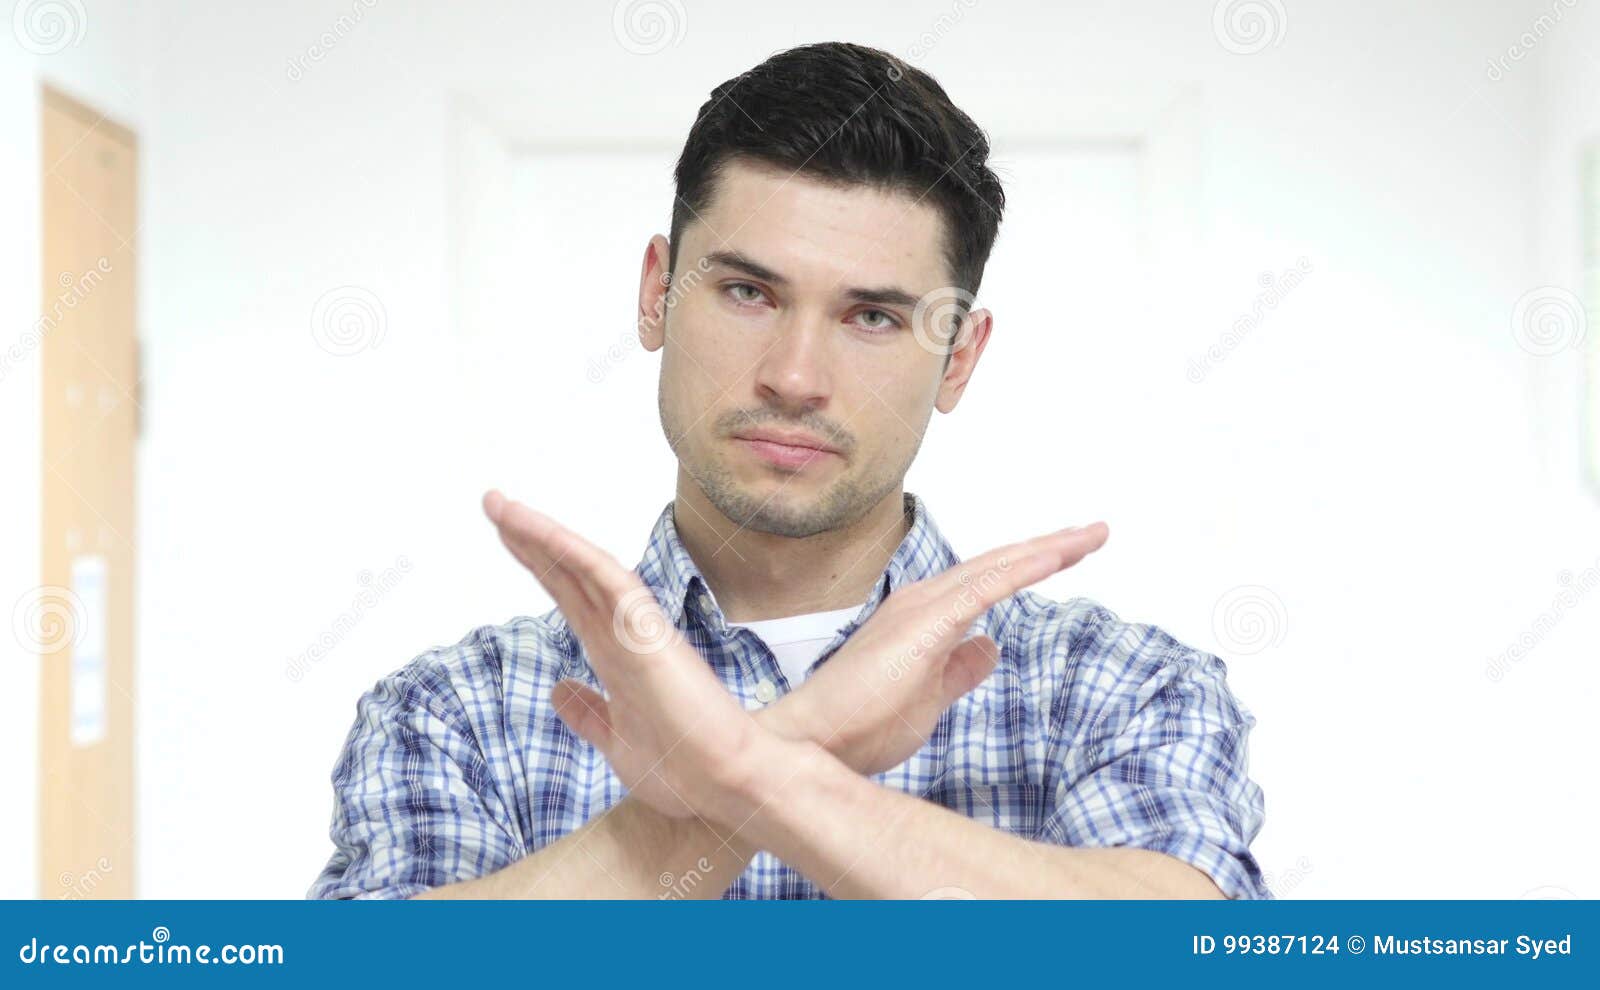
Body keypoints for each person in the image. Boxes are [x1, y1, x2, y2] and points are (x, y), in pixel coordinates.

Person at [308, 41, 1268, 900]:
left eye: (873, 317)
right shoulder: (455, 713)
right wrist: (800, 748)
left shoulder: (1119, 689)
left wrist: (747, 768)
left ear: (959, 359)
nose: (795, 378)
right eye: (746, 292)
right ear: (657, 292)